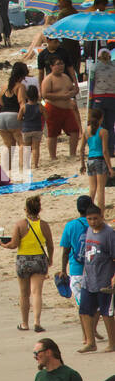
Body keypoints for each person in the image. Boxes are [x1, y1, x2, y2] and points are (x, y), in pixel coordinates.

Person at [0, 194, 53, 332]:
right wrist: (50, 259)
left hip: (23, 260)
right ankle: (37, 322)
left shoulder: (20, 224)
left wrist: (2, 244)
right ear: (39, 209)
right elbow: (50, 245)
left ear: (26, 209)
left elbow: (13, 245)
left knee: (24, 293)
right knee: (37, 292)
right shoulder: (44, 225)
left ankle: (24, 323)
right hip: (39, 259)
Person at [77, 203, 115, 353]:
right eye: (89, 219)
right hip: (89, 279)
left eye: (95, 218)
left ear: (101, 217)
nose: (93, 222)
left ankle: (112, 343)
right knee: (84, 311)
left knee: (106, 313)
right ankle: (90, 342)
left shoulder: (109, 234)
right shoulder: (89, 230)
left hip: (104, 279)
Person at [80, 107, 112, 211]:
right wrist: (110, 168)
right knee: (100, 189)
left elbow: (81, 150)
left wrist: (82, 165)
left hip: (90, 160)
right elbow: (105, 151)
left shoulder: (86, 131)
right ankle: (101, 214)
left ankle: (88, 212)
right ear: (101, 119)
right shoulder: (103, 132)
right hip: (100, 160)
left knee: (92, 189)